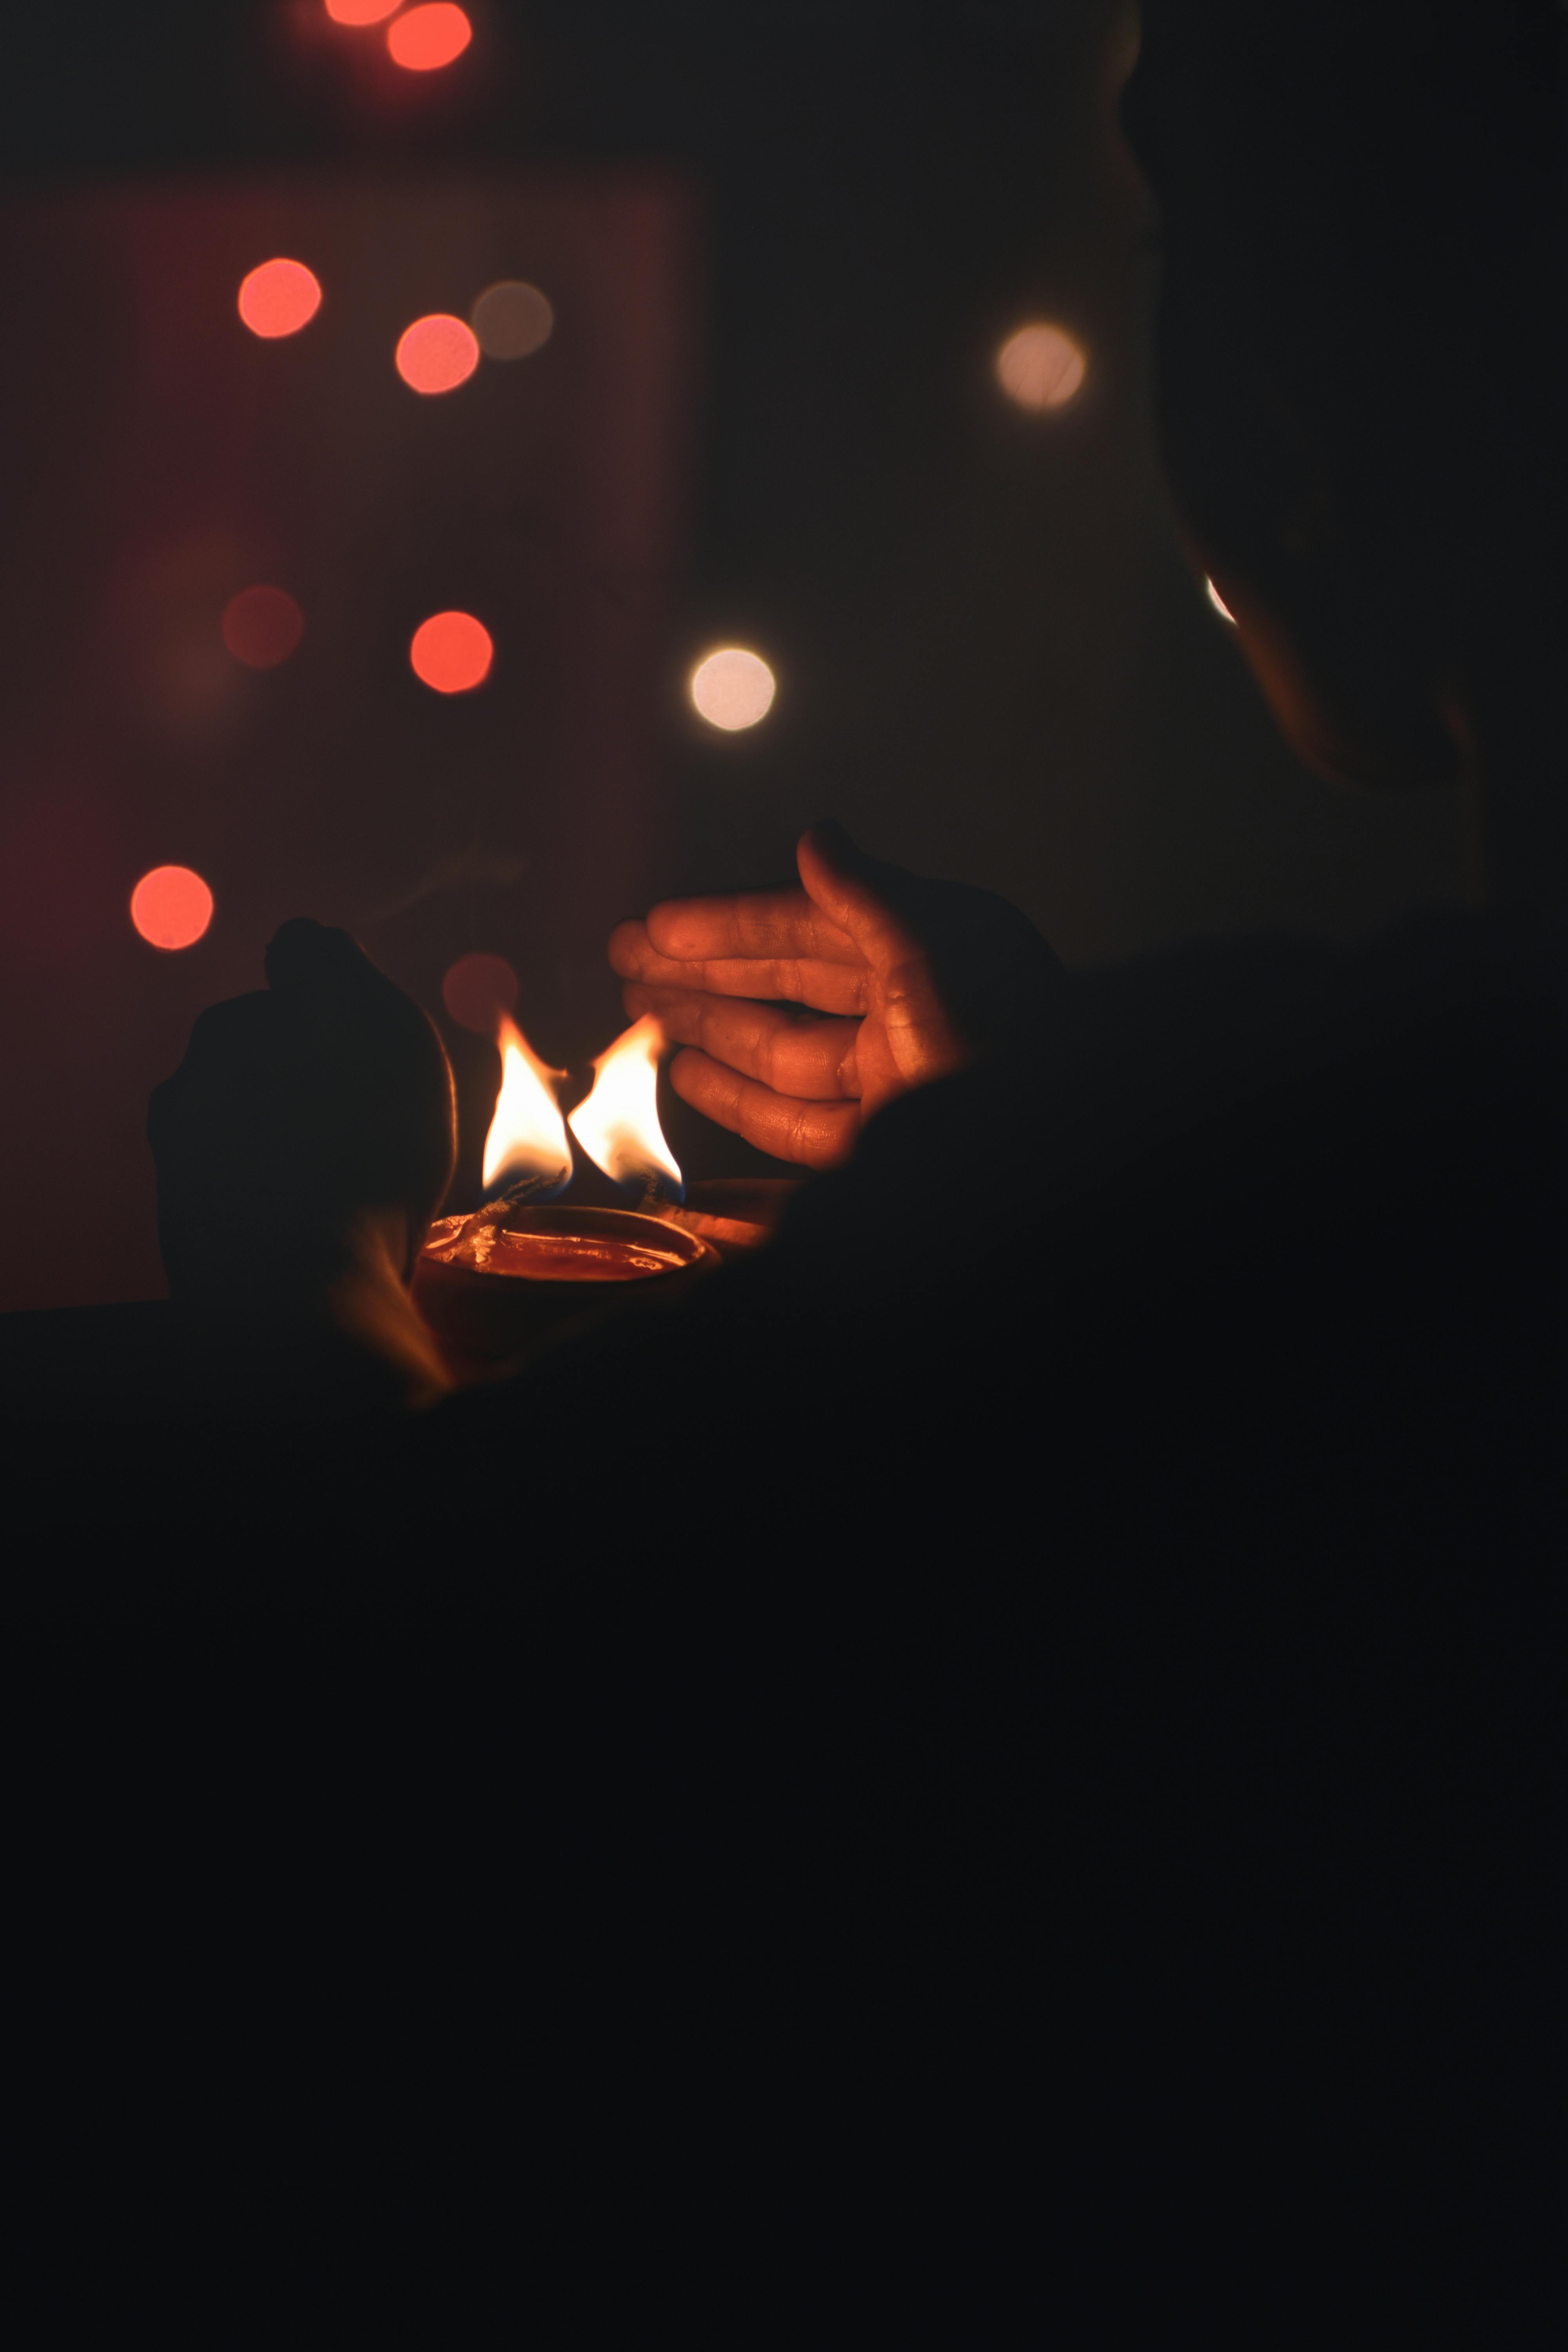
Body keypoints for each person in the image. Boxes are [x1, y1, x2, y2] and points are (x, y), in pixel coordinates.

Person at [28, 0, 1567, 2331]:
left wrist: (290, 1282)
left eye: (1202, 235)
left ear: (1299, 434)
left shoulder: (1271, 1217)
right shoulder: (1314, 1144)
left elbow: (364, 1831)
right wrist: (1065, 1096)